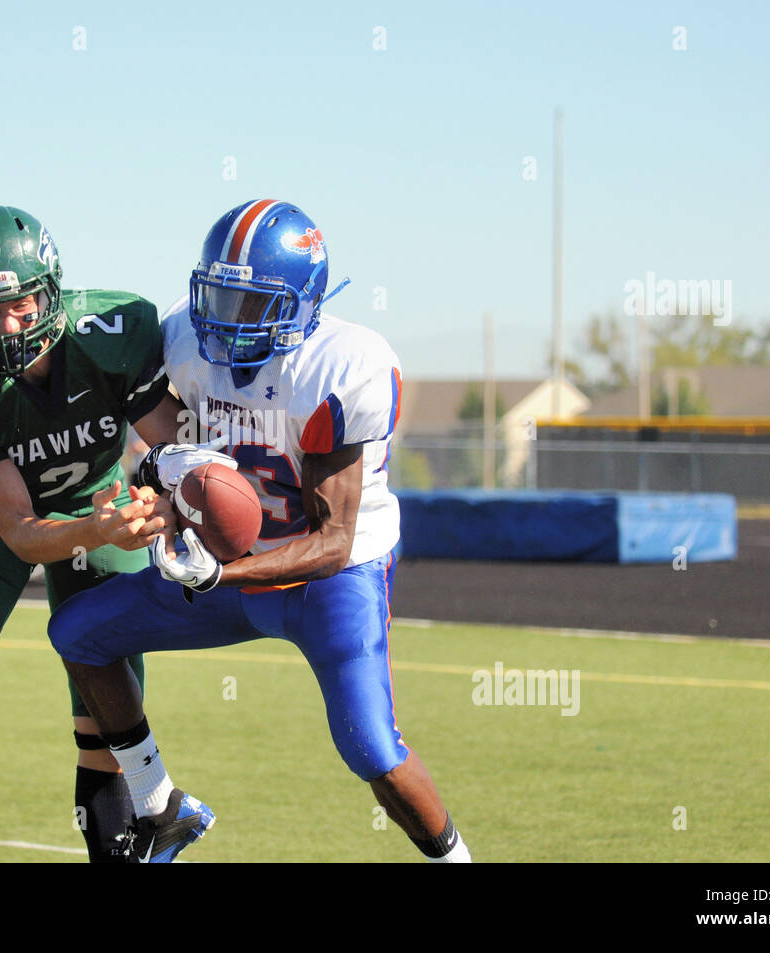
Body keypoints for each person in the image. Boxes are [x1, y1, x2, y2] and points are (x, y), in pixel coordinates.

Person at [49, 199, 472, 862]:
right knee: (78, 632)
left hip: (331, 576)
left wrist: (222, 573)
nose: (224, 319)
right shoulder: (186, 340)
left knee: (372, 748)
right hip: (228, 559)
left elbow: (333, 541)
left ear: (303, 303)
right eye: (218, 295)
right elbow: (173, 454)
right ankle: (160, 807)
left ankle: (456, 858)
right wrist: (163, 483)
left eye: (250, 303)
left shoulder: (341, 367)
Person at [0, 205, 223, 863]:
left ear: (51, 289)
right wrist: (96, 525)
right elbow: (17, 527)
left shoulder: (113, 328)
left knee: (101, 708)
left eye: (19, 304)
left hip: (99, 494)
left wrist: (179, 511)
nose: (7, 326)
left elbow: (183, 449)